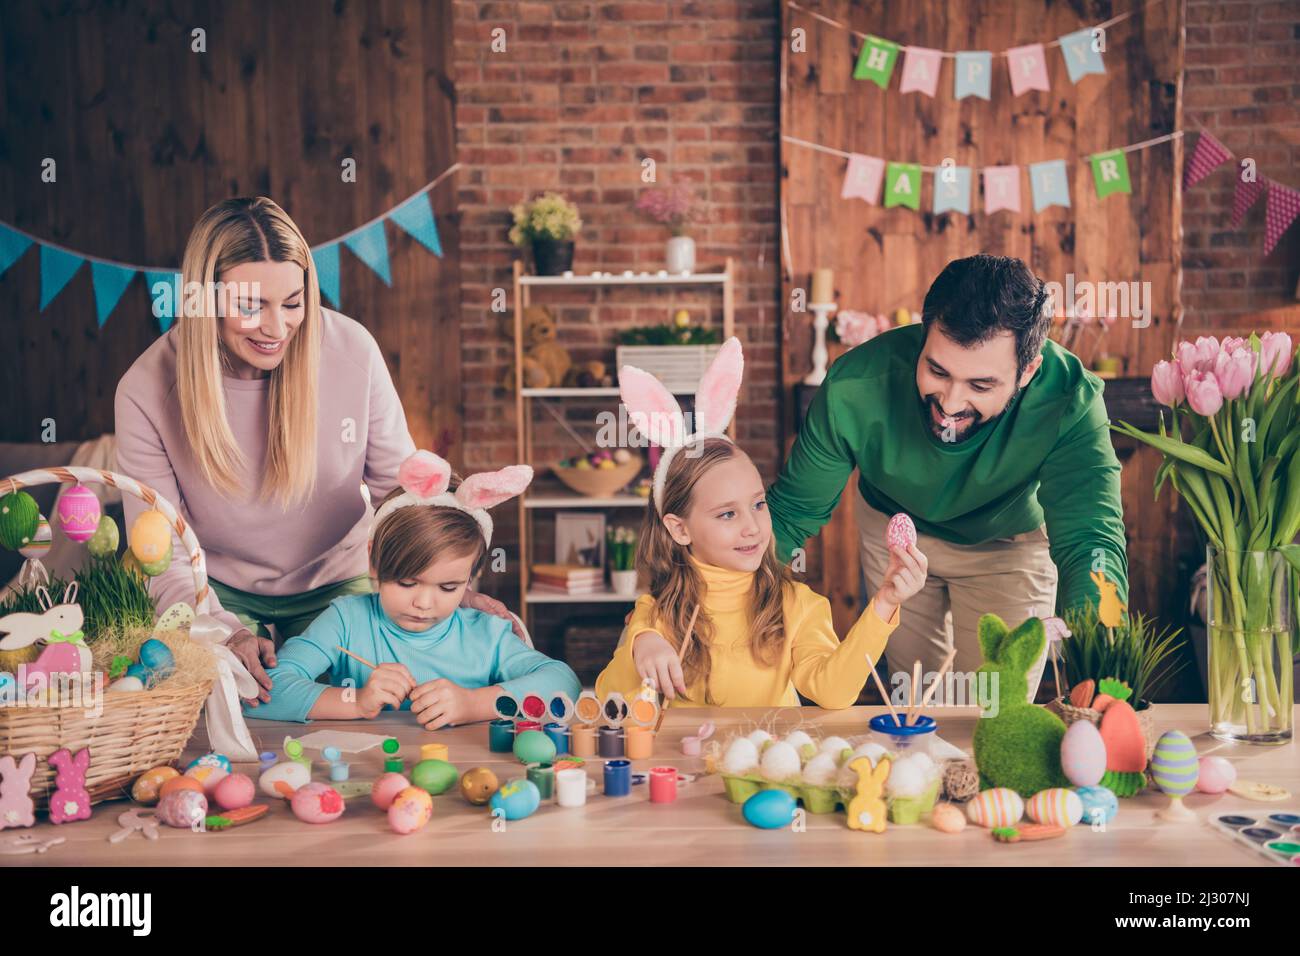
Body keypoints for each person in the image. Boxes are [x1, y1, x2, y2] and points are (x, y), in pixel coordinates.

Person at [115, 197, 516, 706]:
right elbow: (161, 551)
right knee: (232, 711)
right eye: (249, 306)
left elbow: (406, 493)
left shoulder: (351, 351)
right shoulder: (145, 389)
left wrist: (447, 589)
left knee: (382, 701)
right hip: (213, 591)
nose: (277, 328)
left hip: (338, 579)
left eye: (292, 302)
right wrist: (223, 631)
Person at [766, 254, 1128, 701]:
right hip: (897, 537)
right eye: (937, 371)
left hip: (1008, 544)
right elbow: (792, 514)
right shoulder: (854, 385)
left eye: (980, 386)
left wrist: (1100, 659)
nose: (952, 404)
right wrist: (701, 599)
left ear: (1028, 371)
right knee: (918, 704)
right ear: (924, 337)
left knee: (997, 707)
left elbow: (1090, 539)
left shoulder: (1071, 398)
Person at [596, 339, 928, 708]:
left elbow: (833, 693)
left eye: (758, 504)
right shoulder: (656, 615)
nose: (752, 526)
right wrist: (639, 642)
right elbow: (611, 703)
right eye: (727, 514)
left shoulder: (798, 605)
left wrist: (884, 604)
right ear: (679, 529)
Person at [243, 451, 580, 724]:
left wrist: (473, 704)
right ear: (374, 560)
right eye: (406, 582)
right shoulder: (346, 621)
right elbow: (261, 695)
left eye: (448, 587)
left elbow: (563, 682)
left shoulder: (486, 636)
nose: (423, 603)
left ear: (470, 578)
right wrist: (356, 701)